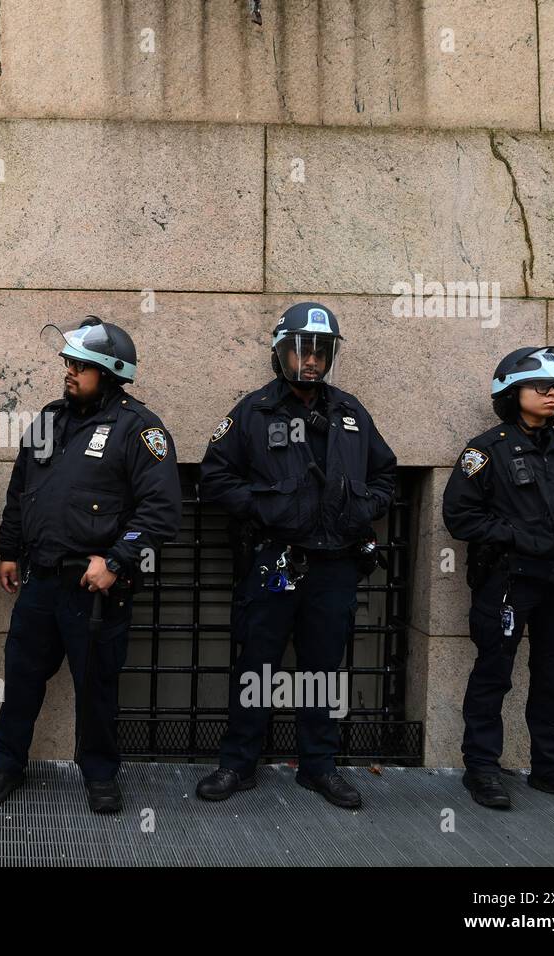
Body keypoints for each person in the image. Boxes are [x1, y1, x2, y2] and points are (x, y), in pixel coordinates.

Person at [0, 317, 181, 814]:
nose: (69, 371)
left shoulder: (140, 428)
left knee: (97, 689)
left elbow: (161, 511)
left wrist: (115, 559)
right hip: (40, 580)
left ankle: (101, 774)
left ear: (108, 372)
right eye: (68, 362)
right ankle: (6, 765)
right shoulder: (49, 419)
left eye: (81, 365)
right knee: (21, 679)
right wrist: (7, 549)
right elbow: (23, 490)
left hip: (95, 590)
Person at [193, 302, 396, 809]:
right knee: (256, 666)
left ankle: (318, 767)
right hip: (273, 562)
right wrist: (267, 508)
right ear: (280, 352)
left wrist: (363, 507)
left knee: (322, 670)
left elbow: (386, 474)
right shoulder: (253, 411)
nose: (311, 359)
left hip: (335, 565)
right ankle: (238, 765)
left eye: (320, 351)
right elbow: (213, 478)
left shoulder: (350, 413)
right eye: (301, 349)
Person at [443, 347, 554, 810]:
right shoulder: (486, 450)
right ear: (512, 393)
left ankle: (552, 771)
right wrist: (519, 537)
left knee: (553, 679)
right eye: (543, 387)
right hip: (508, 583)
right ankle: (482, 770)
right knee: (493, 676)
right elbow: (459, 515)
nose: (553, 395)